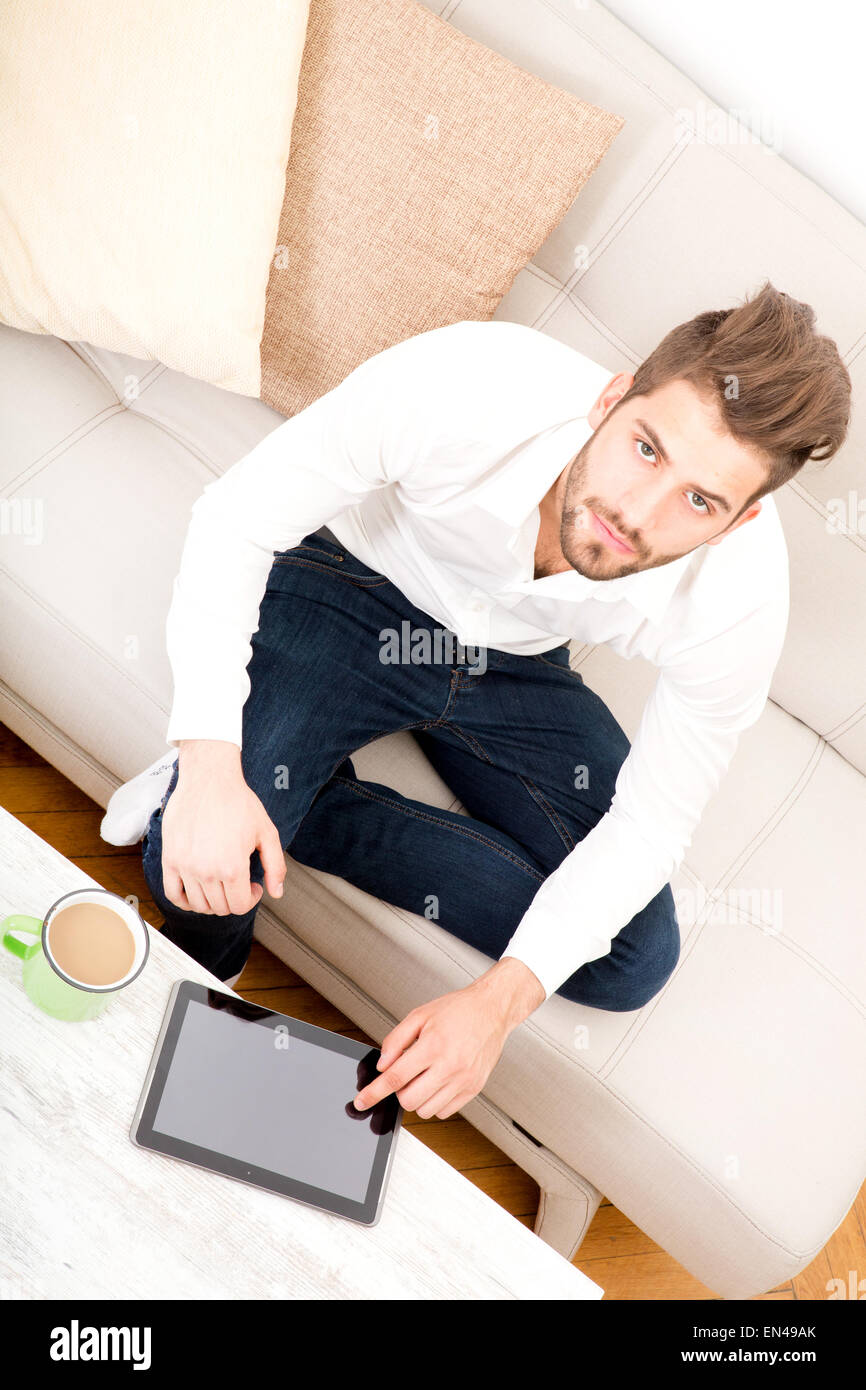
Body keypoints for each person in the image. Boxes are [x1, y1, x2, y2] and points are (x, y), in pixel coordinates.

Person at [140, 279, 850, 1120]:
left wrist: (496, 1004)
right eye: (647, 449)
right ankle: (241, 799)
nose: (637, 511)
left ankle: (302, 802)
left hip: (514, 667)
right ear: (611, 398)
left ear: (735, 525)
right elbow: (239, 520)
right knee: (194, 869)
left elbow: (653, 826)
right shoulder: (466, 383)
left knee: (633, 959)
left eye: (700, 500)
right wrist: (215, 766)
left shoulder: (742, 600)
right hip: (355, 589)